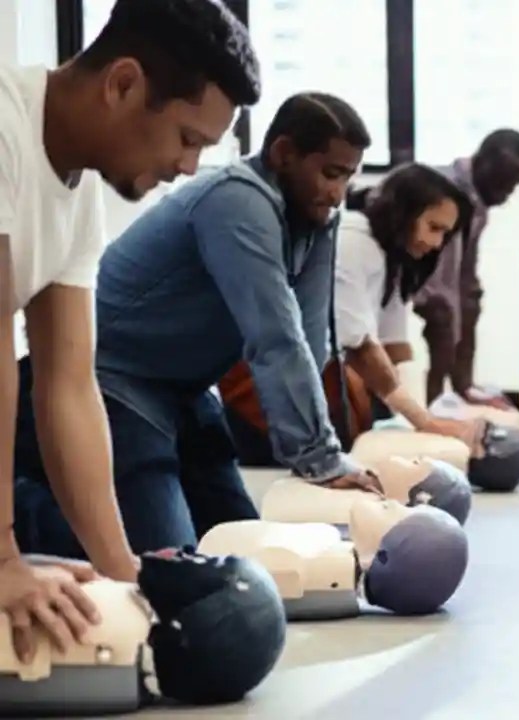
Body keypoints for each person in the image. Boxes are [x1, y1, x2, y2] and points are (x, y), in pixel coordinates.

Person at [14, 92, 381, 570]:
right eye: (330, 173)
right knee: (171, 564)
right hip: (115, 379)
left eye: (348, 177)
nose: (338, 193)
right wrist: (321, 458)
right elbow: (275, 336)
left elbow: (310, 342)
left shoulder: (316, 221)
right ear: (283, 154)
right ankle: (21, 507)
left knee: (242, 551)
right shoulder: (235, 199)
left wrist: (321, 456)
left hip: (186, 392)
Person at [1, 0, 258, 663]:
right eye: (188, 138)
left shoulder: (77, 184)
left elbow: (68, 384)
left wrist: (122, 574)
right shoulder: (4, 128)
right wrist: (2, 558)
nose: (188, 167)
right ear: (123, 85)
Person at [335, 164, 488, 450]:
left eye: (445, 234)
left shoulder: (391, 255)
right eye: (433, 228)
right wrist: (425, 423)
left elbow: (395, 347)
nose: (436, 243)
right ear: (402, 213)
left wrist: (421, 422)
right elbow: (359, 348)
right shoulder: (352, 241)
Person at [413, 129, 519, 408]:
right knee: (444, 315)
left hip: (445, 274)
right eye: (503, 185)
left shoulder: (480, 195)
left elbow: (465, 263)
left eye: (512, 187)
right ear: (482, 166)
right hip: (412, 267)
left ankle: (463, 388)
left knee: (470, 301)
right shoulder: (447, 189)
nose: (505, 195)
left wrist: (470, 294)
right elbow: (438, 266)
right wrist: (445, 302)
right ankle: (433, 403)